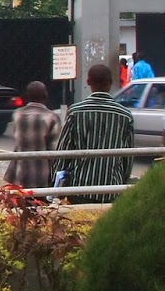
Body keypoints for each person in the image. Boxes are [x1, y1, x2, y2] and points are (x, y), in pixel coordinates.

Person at [50, 62, 135, 204]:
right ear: (111, 83)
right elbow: (128, 156)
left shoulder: (75, 112)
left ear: (88, 82)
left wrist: (57, 181)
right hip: (112, 187)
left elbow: (63, 151)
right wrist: (122, 181)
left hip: (80, 187)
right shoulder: (125, 115)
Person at [5, 81, 61, 188]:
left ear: (27, 95)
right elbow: (54, 148)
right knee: (41, 199)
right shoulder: (51, 117)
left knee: (21, 198)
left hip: (19, 173)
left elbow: (17, 139)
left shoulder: (17, 114)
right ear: (45, 95)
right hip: (42, 174)